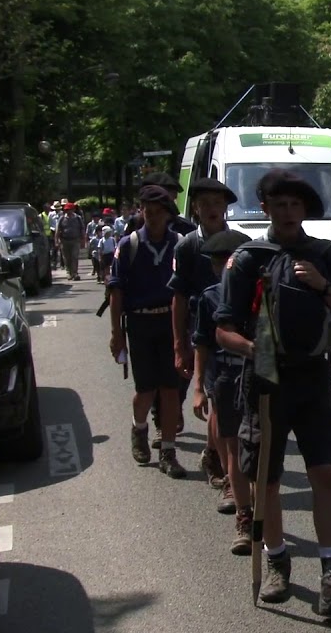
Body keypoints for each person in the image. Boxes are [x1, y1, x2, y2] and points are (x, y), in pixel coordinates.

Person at [214, 169, 331, 617]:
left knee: (325, 473)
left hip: (313, 379)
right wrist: (257, 351)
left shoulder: (325, 255)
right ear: (265, 208)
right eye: (278, 205)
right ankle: (278, 559)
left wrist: (322, 286)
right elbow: (223, 329)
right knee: (267, 477)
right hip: (264, 381)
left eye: (295, 205)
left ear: (304, 210)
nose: (286, 213)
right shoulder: (248, 258)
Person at [107, 185, 187, 479]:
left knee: (170, 389)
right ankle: (139, 428)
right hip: (140, 324)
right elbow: (116, 290)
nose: (151, 217)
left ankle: (168, 451)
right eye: (146, 211)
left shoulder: (180, 243)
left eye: (157, 212)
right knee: (145, 390)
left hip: (170, 322)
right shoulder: (129, 244)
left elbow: (187, 288)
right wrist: (116, 333)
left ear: (168, 214)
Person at [168, 177, 239, 498]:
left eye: (218, 203)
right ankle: (223, 469)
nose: (212, 209)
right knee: (215, 399)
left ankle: (215, 454)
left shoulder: (241, 242)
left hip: (232, 334)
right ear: (195, 209)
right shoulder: (186, 246)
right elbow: (179, 297)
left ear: (226, 207)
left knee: (225, 405)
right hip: (201, 335)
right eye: (205, 204)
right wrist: (179, 345)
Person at [192, 228, 257, 555]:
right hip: (226, 375)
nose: (224, 268)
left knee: (257, 448)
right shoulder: (209, 297)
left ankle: (262, 511)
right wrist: (199, 387)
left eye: (229, 261)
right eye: (218, 263)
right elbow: (202, 343)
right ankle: (243, 516)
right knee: (232, 447)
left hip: (258, 373)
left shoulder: (258, 293)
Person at [141, 172, 197, 450]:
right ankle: (160, 422)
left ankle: (174, 408)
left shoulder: (186, 229)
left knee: (182, 368)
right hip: (148, 314)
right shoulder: (134, 228)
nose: (168, 198)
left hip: (182, 309)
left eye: (171, 194)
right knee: (153, 378)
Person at [56, 202, 85, 281]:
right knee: (67, 258)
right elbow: (58, 230)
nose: (68, 211)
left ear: (73, 209)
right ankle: (69, 272)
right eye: (66, 210)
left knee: (74, 257)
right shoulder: (62, 218)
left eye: (70, 209)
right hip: (64, 240)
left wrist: (83, 240)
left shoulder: (78, 218)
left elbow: (82, 229)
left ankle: (75, 273)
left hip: (75, 240)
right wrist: (57, 240)